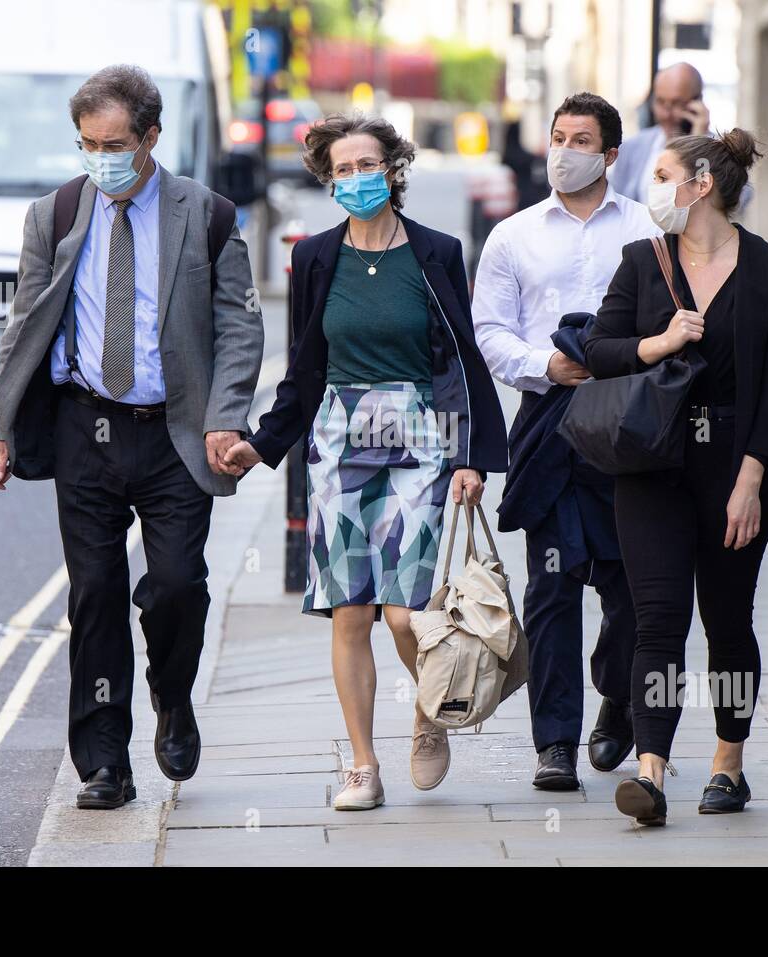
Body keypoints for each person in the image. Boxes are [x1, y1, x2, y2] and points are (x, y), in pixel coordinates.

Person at [0, 65, 263, 810]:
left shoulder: (207, 215)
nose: (99, 157)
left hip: (174, 434)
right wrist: (1, 423)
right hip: (85, 427)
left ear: (151, 138)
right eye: (86, 142)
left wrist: (225, 416)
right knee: (96, 593)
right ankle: (104, 760)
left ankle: (173, 698)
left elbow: (239, 325)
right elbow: (23, 324)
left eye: (113, 143)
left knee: (175, 586)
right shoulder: (56, 213)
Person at [222, 113, 508, 811]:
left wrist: (470, 456)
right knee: (351, 612)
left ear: (394, 168)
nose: (355, 179)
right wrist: (260, 444)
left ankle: (428, 713)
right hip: (339, 440)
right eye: (341, 169)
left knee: (409, 615)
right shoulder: (315, 256)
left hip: (420, 436)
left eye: (367, 165)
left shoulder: (437, 252)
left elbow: (460, 362)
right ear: (327, 177)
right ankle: (362, 764)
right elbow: (303, 371)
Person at [583, 128, 768, 826]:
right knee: (658, 621)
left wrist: (750, 478)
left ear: (701, 185)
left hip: (735, 465)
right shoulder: (641, 262)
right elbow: (599, 349)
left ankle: (727, 764)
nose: (653, 191)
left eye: (663, 176)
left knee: (728, 619)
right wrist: (662, 340)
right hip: (652, 465)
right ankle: (649, 772)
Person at [472, 92, 660, 791]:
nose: (563, 151)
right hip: (549, 424)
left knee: (632, 588)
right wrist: (542, 363)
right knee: (551, 586)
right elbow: (488, 330)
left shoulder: (647, 229)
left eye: (581, 140)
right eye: (557, 137)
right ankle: (554, 741)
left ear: (611, 155)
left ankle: (618, 695)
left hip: (628, 426)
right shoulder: (514, 235)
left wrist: (622, 356)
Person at [608, 63, 710, 204]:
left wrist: (700, 143)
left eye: (676, 103)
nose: (666, 114)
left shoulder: (718, 150)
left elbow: (735, 201)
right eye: (660, 102)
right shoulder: (633, 147)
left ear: (697, 103)